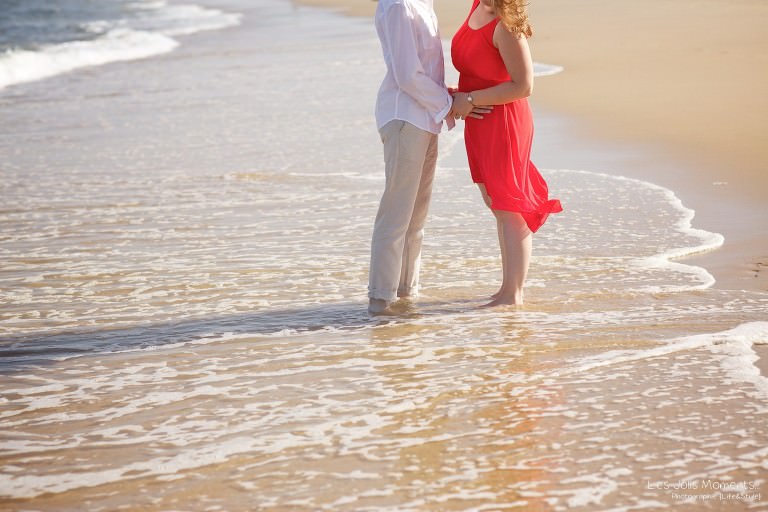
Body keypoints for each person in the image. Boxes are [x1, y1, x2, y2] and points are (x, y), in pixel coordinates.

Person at [369, 0, 491, 315]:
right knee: (396, 215)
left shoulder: (423, 3)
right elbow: (407, 75)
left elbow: (425, 69)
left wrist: (447, 96)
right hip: (404, 117)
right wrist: (449, 104)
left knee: (416, 218)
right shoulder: (398, 5)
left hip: (425, 117)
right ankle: (380, 302)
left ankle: (406, 297)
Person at [449, 0, 562, 307]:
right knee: (497, 205)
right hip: (479, 119)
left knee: (510, 207)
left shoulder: (505, 25)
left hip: (504, 122)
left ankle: (514, 295)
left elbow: (524, 85)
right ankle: (506, 287)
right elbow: (479, 68)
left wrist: (470, 97)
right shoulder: (476, 6)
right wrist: (457, 94)